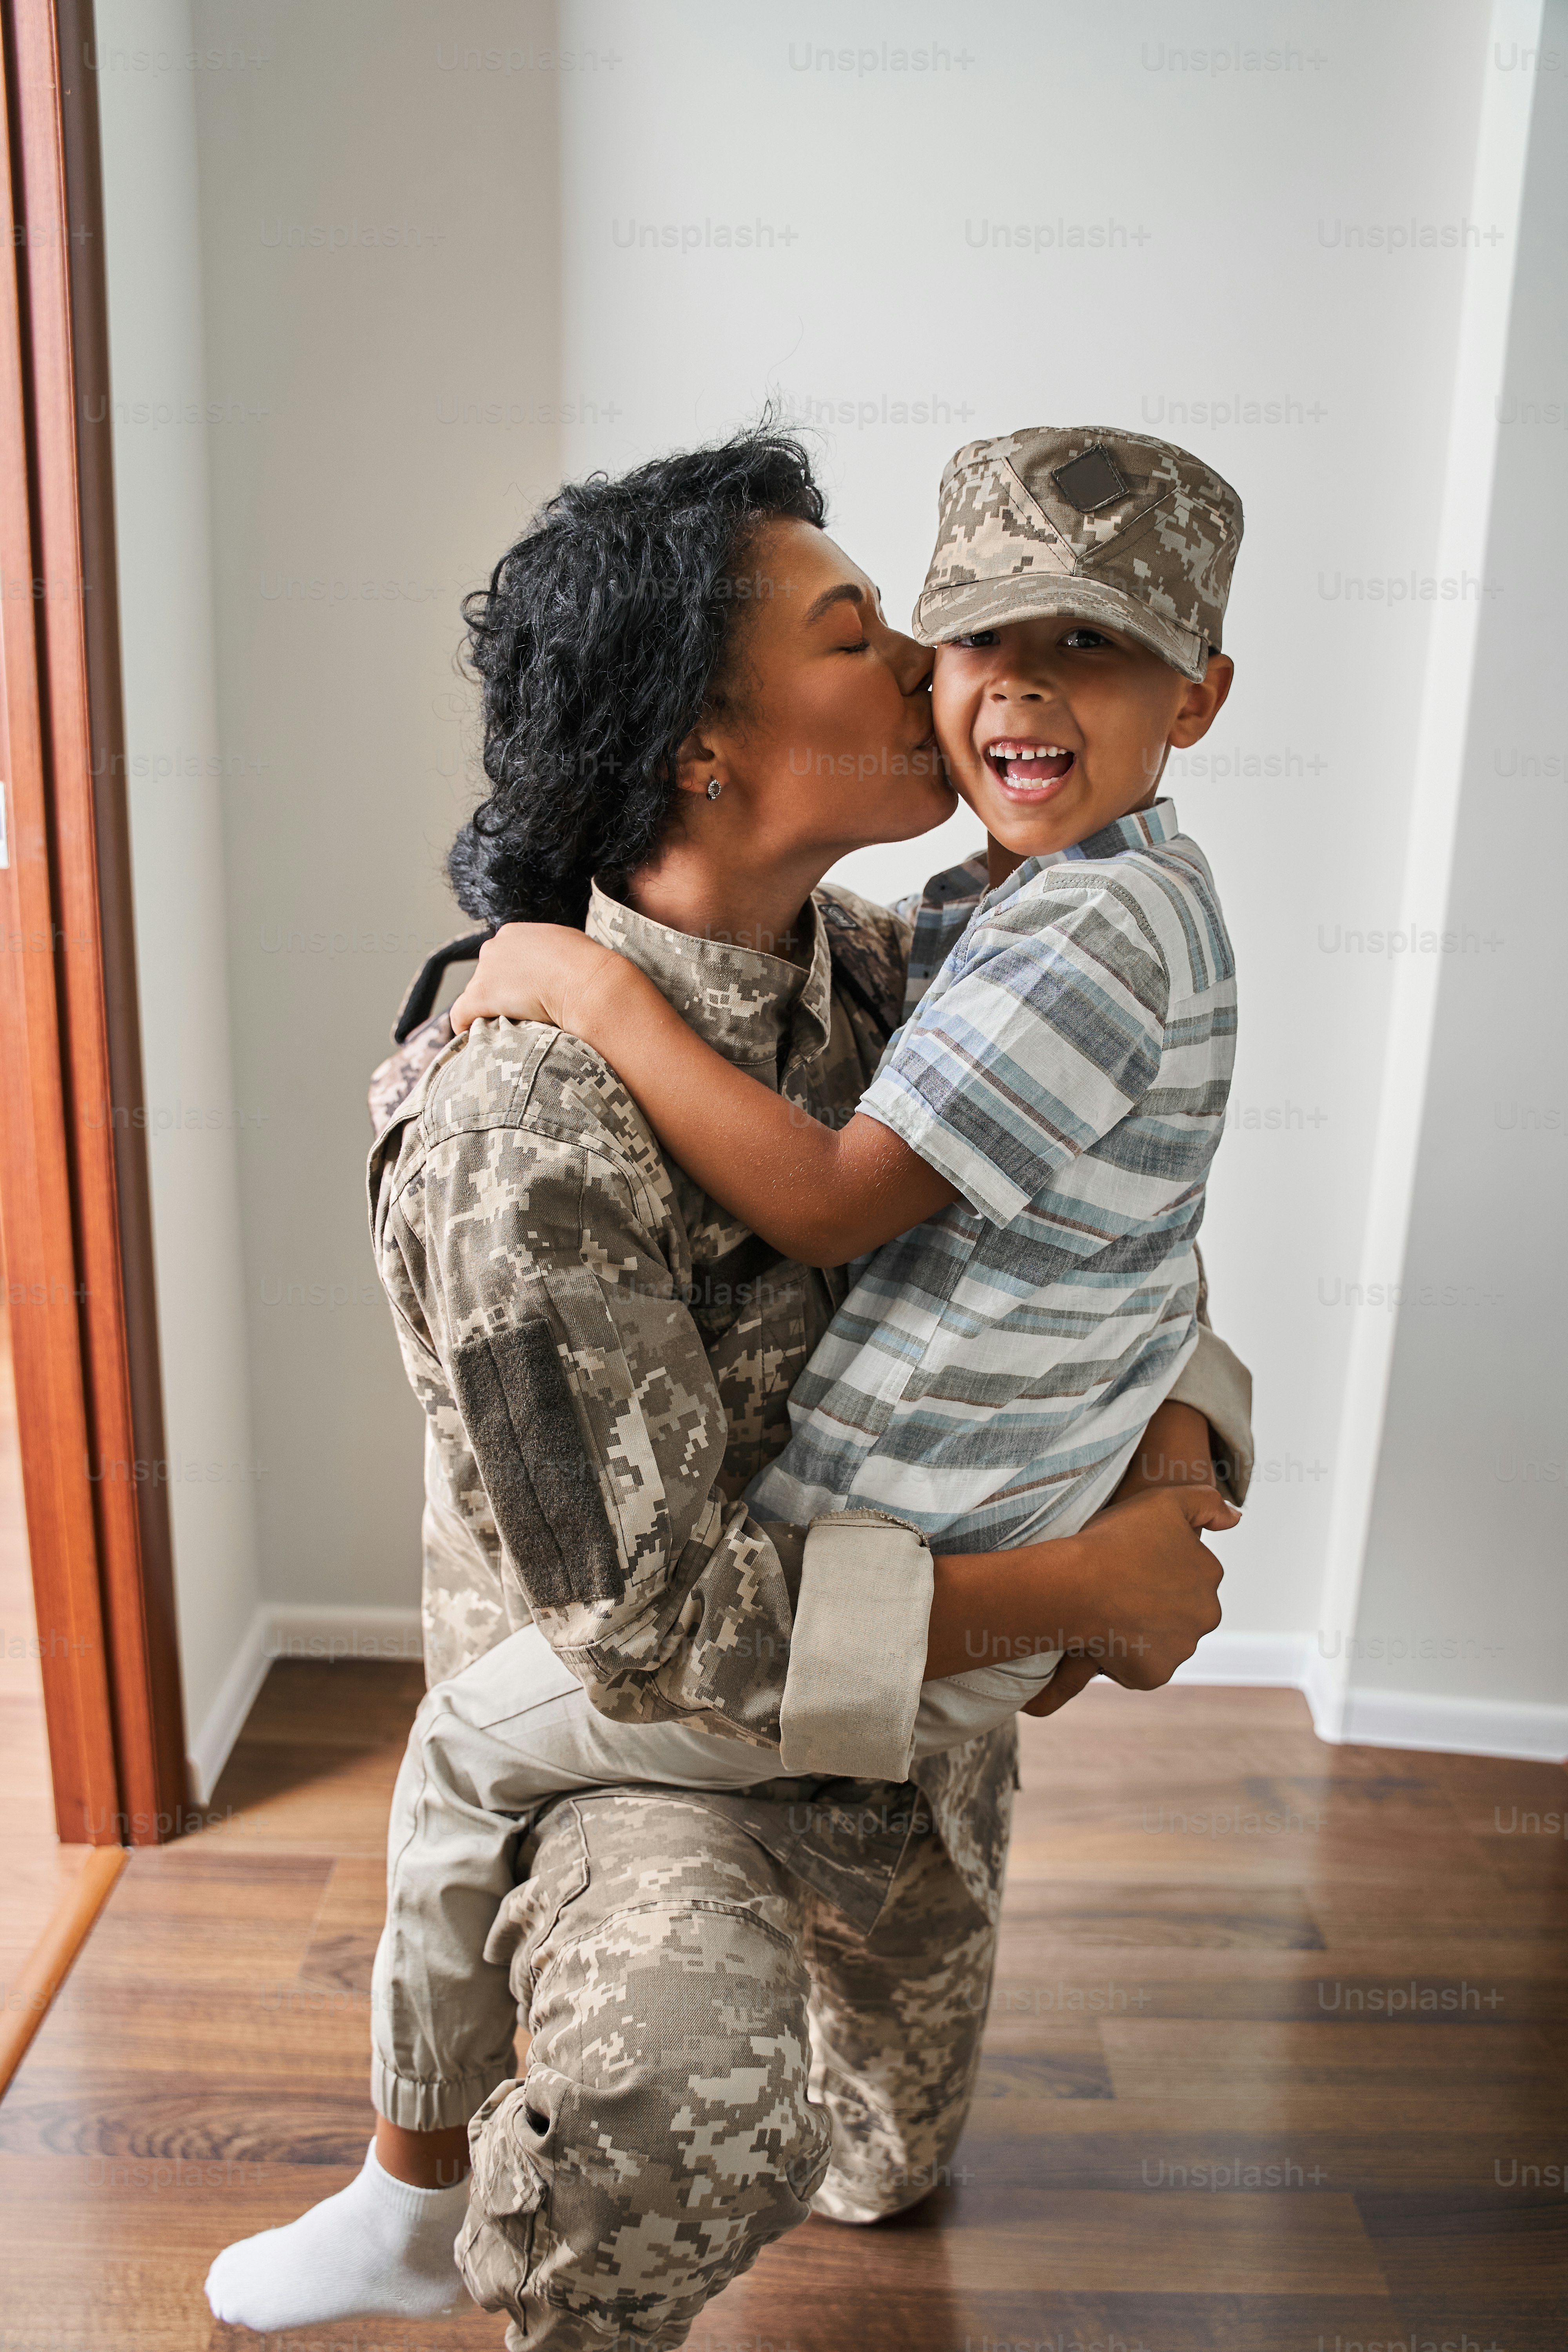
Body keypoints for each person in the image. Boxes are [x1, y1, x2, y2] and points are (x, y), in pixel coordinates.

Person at [206, 428, 1252, 2348]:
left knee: (886, 2165)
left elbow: (1096, 1228)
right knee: (686, 2121)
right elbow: (652, 1629)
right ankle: (420, 2207)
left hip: (909, 1705)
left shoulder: (897, 967)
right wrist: (1081, 1587)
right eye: (874, 636)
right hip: (637, 1734)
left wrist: (1179, 1447)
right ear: (702, 739)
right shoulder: (520, 1122)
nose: (956, 679)